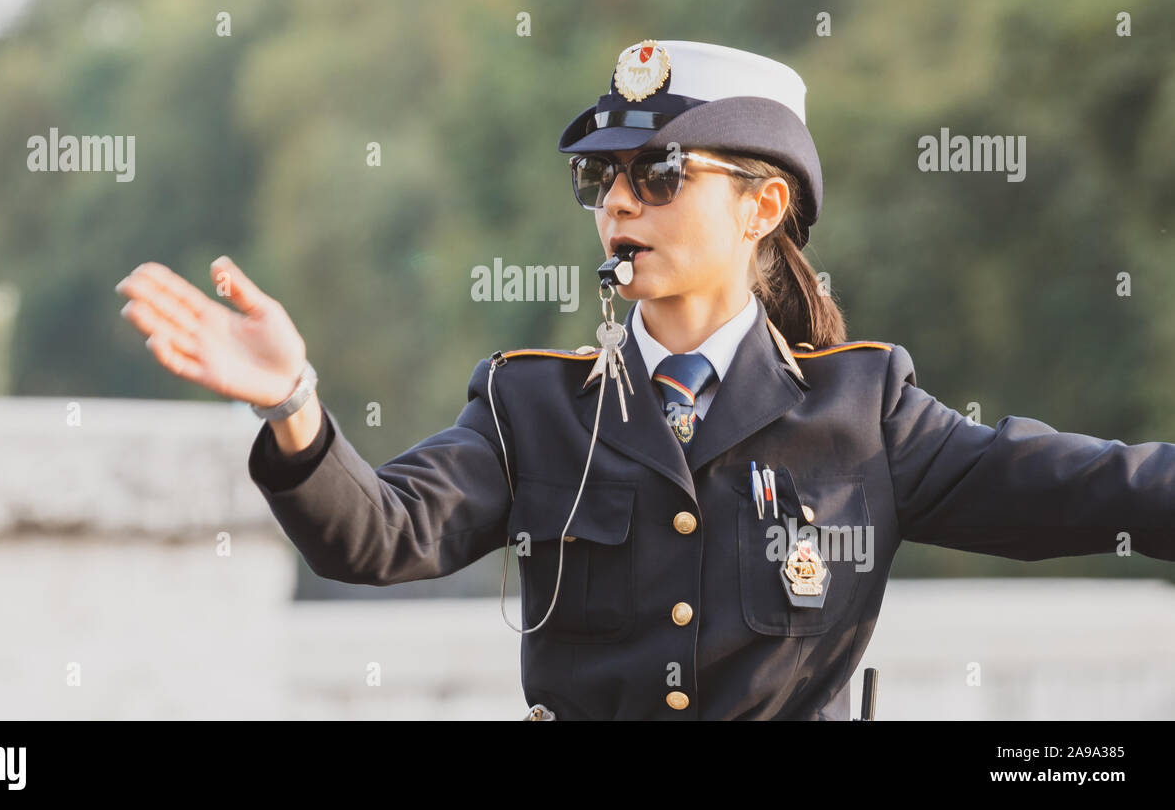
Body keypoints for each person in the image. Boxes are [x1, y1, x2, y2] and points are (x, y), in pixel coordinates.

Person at [115, 39, 1175, 720]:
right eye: (599, 178)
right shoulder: (529, 408)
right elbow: (381, 533)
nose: (620, 202)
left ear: (761, 208)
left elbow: (1099, 491)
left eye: (659, 174)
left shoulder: (864, 411)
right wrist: (292, 401)